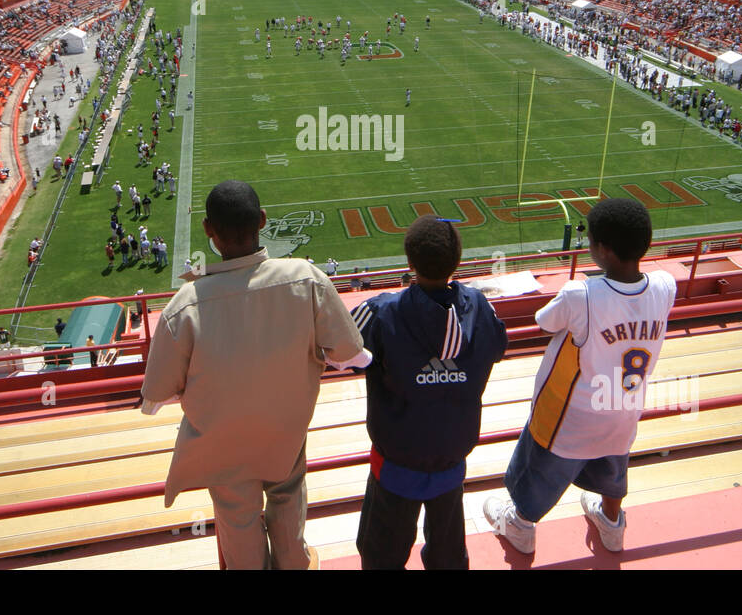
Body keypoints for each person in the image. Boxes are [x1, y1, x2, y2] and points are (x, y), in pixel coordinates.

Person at [141, 180, 371, 569]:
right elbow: (352, 354)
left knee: (236, 514)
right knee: (287, 496)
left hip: (222, 441)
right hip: (284, 431)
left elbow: (156, 396)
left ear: (209, 230)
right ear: (262, 220)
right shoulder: (306, 277)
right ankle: (294, 563)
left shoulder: (184, 305)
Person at [484, 198, 677, 555]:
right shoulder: (666, 286)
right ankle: (611, 524)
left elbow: (544, 321)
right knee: (613, 470)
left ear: (602, 250)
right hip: (624, 407)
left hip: (571, 414)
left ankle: (520, 526)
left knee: (540, 473)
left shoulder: (581, 295)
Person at [352, 217, 507, 569]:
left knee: (381, 555)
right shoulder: (479, 307)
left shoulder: (381, 311)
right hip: (451, 454)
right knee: (448, 555)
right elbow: (498, 345)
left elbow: (342, 353)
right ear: (458, 262)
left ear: (410, 263)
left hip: (396, 460)